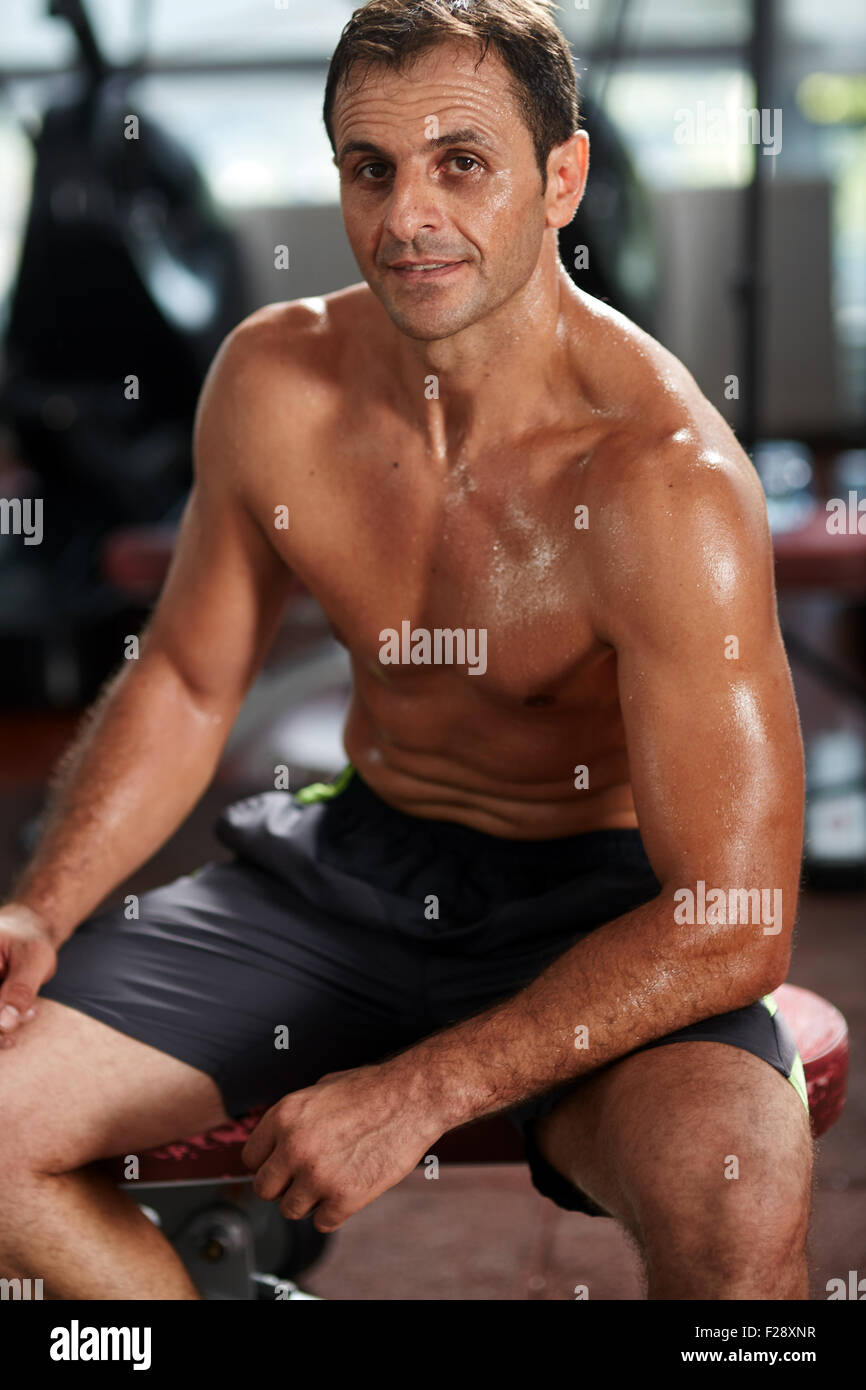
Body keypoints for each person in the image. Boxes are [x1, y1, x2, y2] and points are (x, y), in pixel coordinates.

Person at [0, 0, 811, 1300]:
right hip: (348, 867)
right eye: (368, 168)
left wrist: (419, 1089)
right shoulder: (275, 383)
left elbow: (737, 917)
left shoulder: (662, 481)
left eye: (460, 162)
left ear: (561, 178)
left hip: (601, 908)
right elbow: (190, 675)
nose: (404, 216)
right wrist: (45, 900)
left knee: (740, 1201)